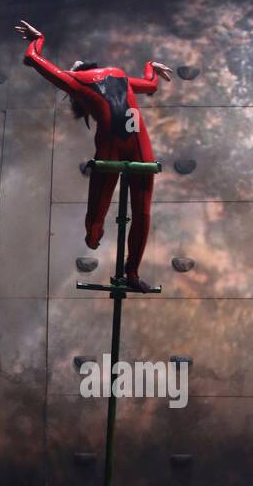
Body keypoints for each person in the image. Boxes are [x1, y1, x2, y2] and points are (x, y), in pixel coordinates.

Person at [14, 20, 172, 291]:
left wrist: (38, 39)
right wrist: (151, 66)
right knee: (142, 212)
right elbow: (151, 85)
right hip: (141, 147)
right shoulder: (120, 76)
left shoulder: (75, 81)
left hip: (111, 148)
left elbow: (32, 59)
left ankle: (93, 236)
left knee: (98, 209)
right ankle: (132, 274)